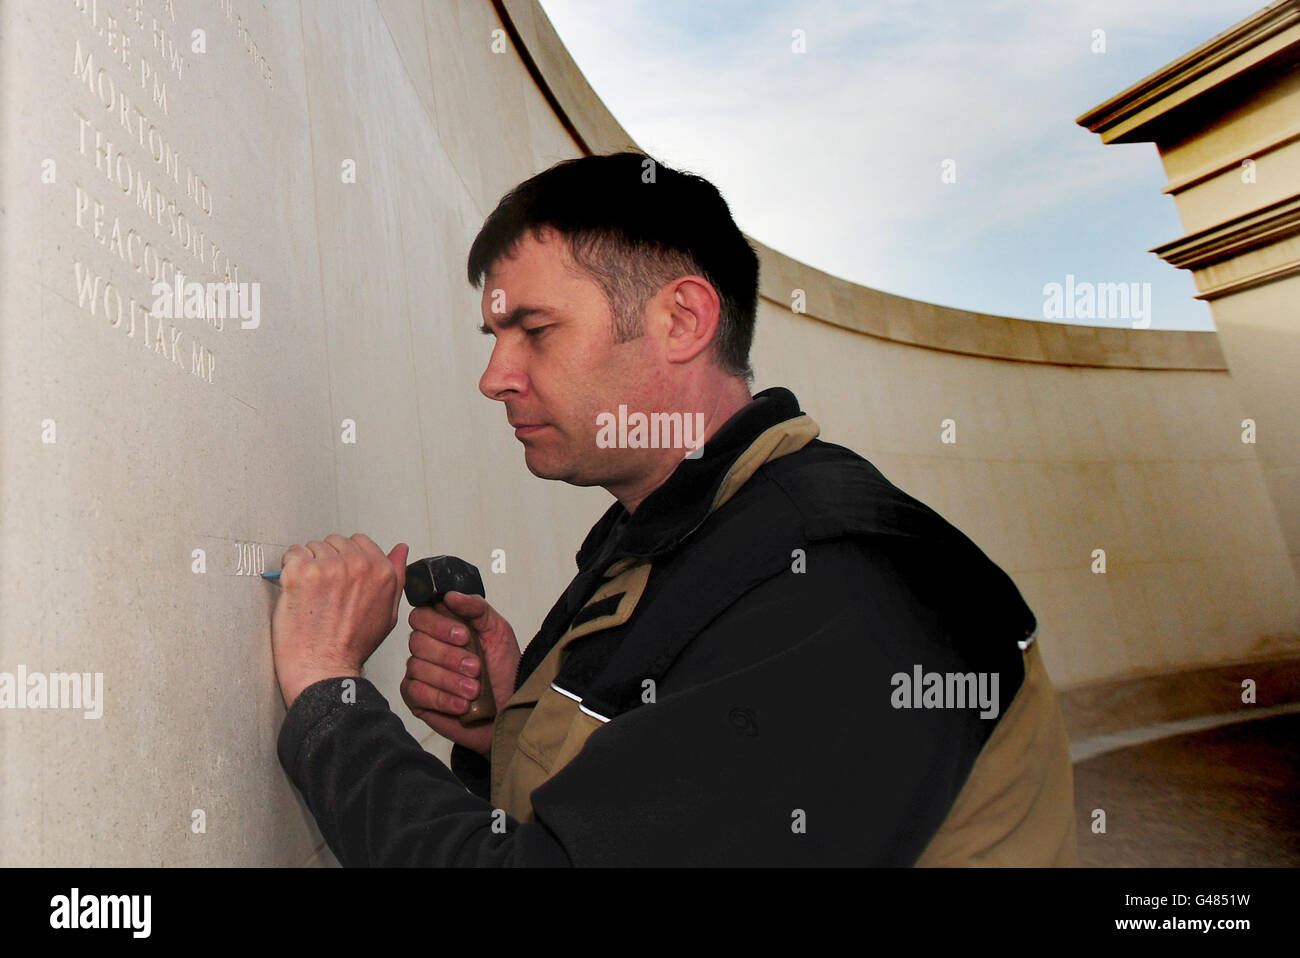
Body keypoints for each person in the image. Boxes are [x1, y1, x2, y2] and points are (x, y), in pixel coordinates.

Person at [270, 152, 1077, 866]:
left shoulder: (837, 578)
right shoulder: (681, 529)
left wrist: (328, 693)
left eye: (533, 330)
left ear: (683, 320)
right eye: (492, 335)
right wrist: (512, 726)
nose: (495, 376)